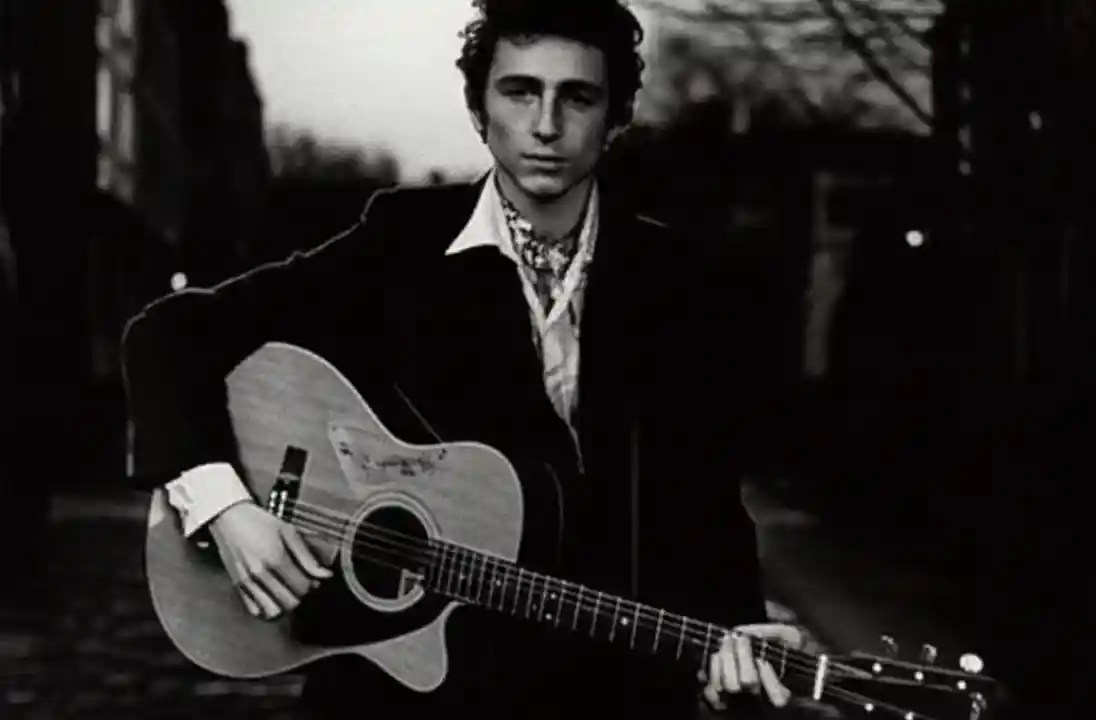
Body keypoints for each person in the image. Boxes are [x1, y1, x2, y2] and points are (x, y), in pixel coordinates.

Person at [120, 1, 802, 718]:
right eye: (520, 91)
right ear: (479, 110)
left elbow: (708, 506)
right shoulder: (400, 245)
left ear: (617, 118)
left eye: (578, 96)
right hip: (407, 696)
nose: (546, 124)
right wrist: (226, 508)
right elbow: (168, 336)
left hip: (608, 692)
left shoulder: (679, 282)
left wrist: (733, 641)